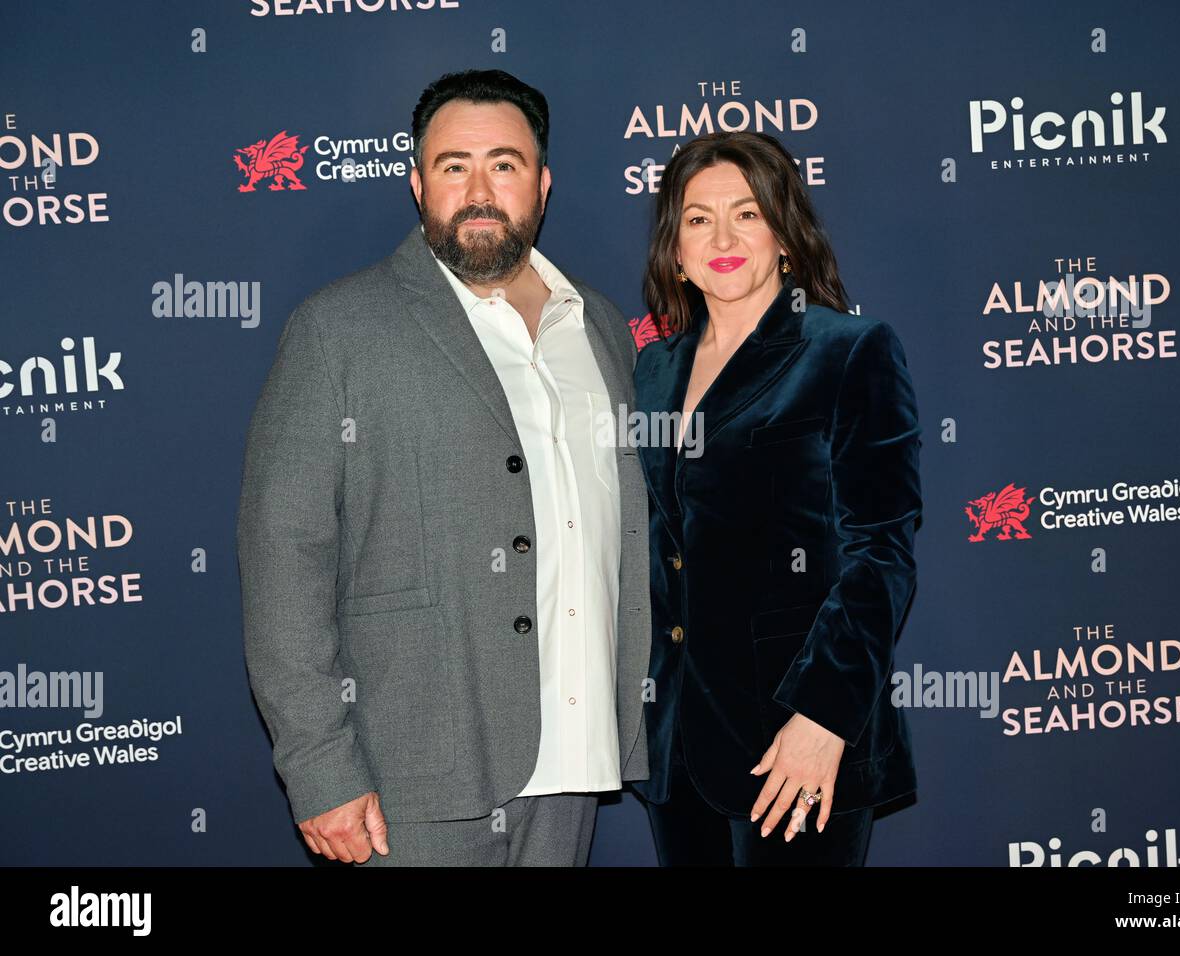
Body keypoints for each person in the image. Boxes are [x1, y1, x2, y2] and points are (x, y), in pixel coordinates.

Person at [236, 69, 651, 866]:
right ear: (418, 183)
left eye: (505, 162)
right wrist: (320, 765)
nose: (480, 187)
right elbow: (284, 551)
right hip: (411, 778)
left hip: (574, 759)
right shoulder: (339, 329)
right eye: (454, 165)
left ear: (543, 182)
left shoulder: (597, 324)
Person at [630, 130, 923, 866]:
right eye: (698, 218)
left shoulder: (848, 350)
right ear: (674, 246)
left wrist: (824, 716)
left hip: (799, 738)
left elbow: (880, 550)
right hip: (680, 747)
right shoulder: (650, 372)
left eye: (747, 213)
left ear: (786, 237)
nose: (721, 237)